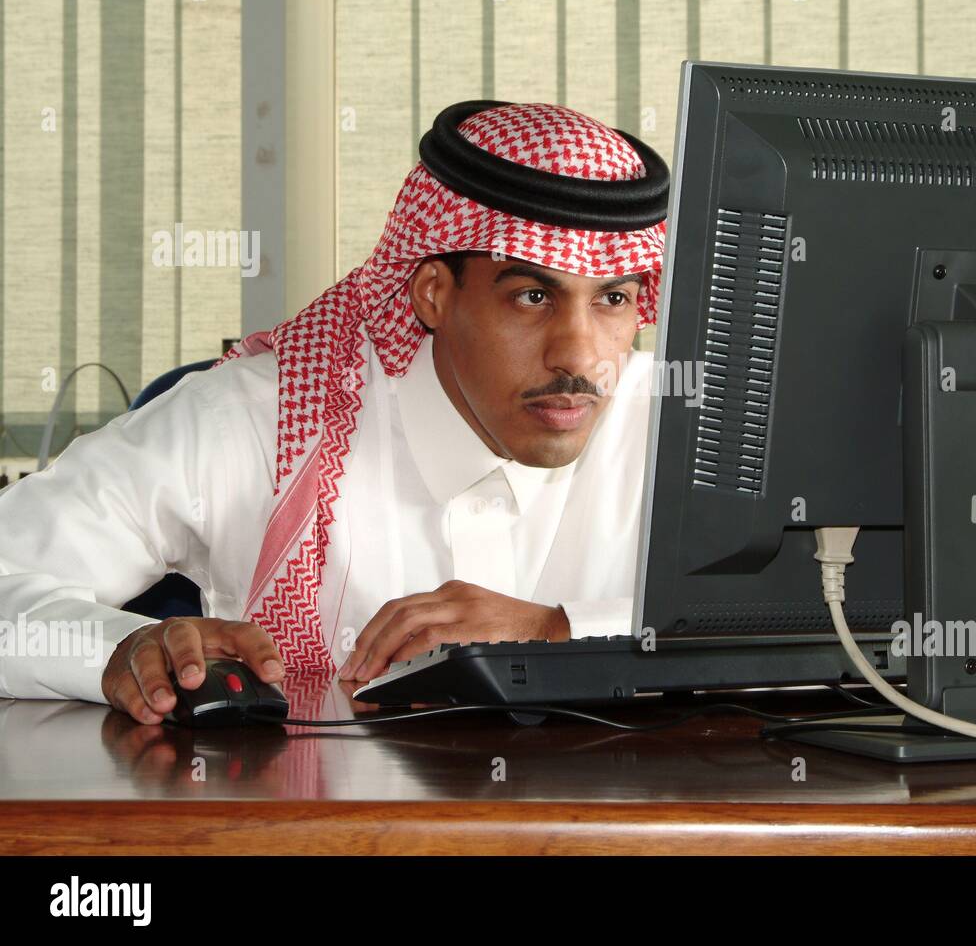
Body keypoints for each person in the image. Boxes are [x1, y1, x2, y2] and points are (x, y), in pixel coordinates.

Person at [0, 99, 668, 725]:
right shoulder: (255, 421)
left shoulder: (676, 425)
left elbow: (771, 624)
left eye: (613, 300)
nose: (580, 357)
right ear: (434, 294)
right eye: (531, 296)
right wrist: (120, 649)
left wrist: (558, 631)